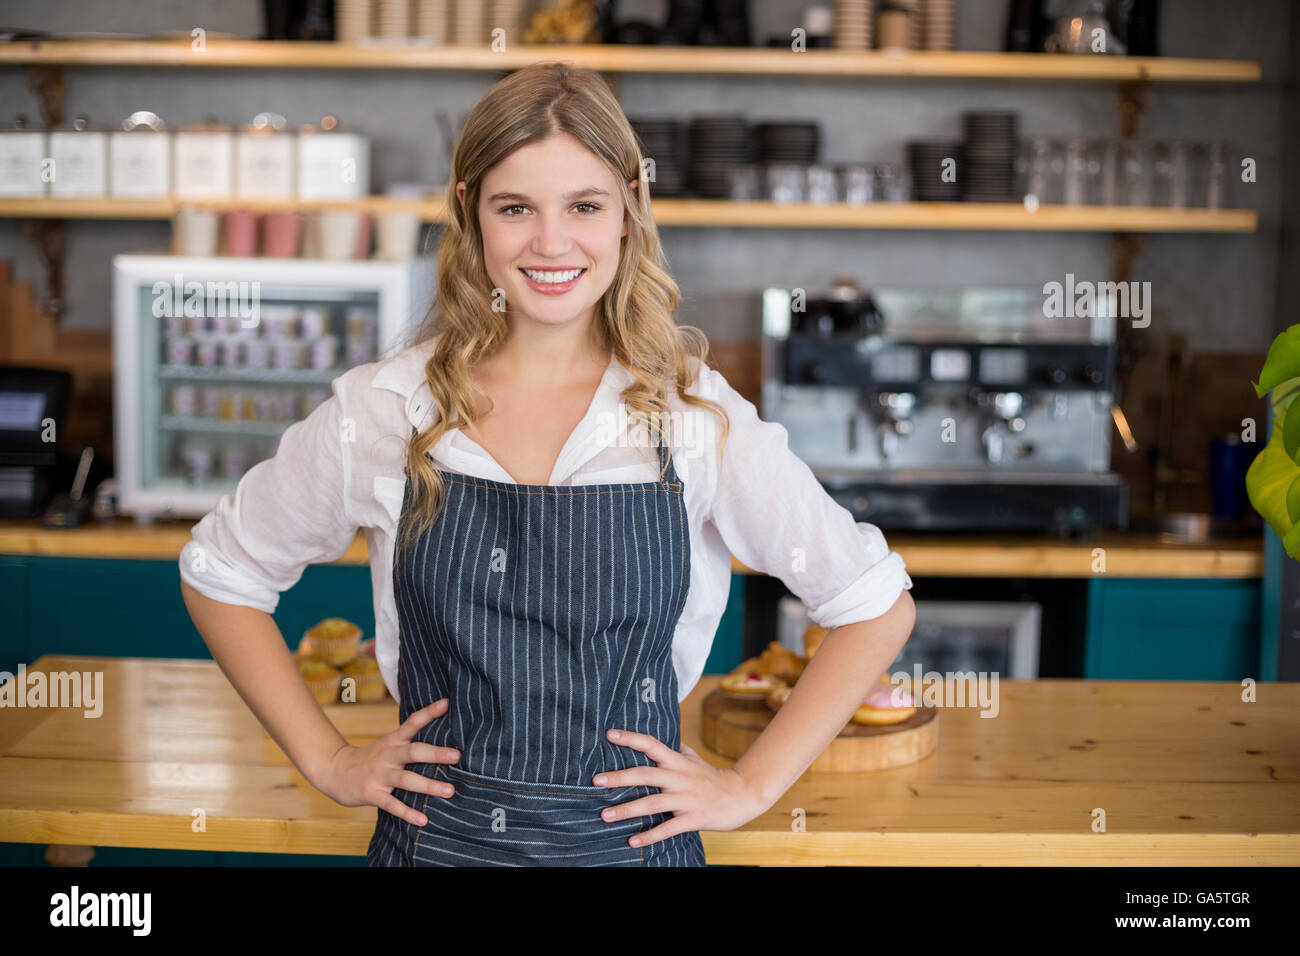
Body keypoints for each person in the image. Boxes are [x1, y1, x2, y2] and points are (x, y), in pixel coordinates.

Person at [179, 62, 916, 867]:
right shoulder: (386, 410)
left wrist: (748, 786)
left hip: (633, 852)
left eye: (585, 207)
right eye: (516, 208)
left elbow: (873, 606)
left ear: (630, 210)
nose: (552, 243)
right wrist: (327, 762)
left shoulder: (690, 416)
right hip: (436, 850)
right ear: (469, 212)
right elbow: (222, 572)